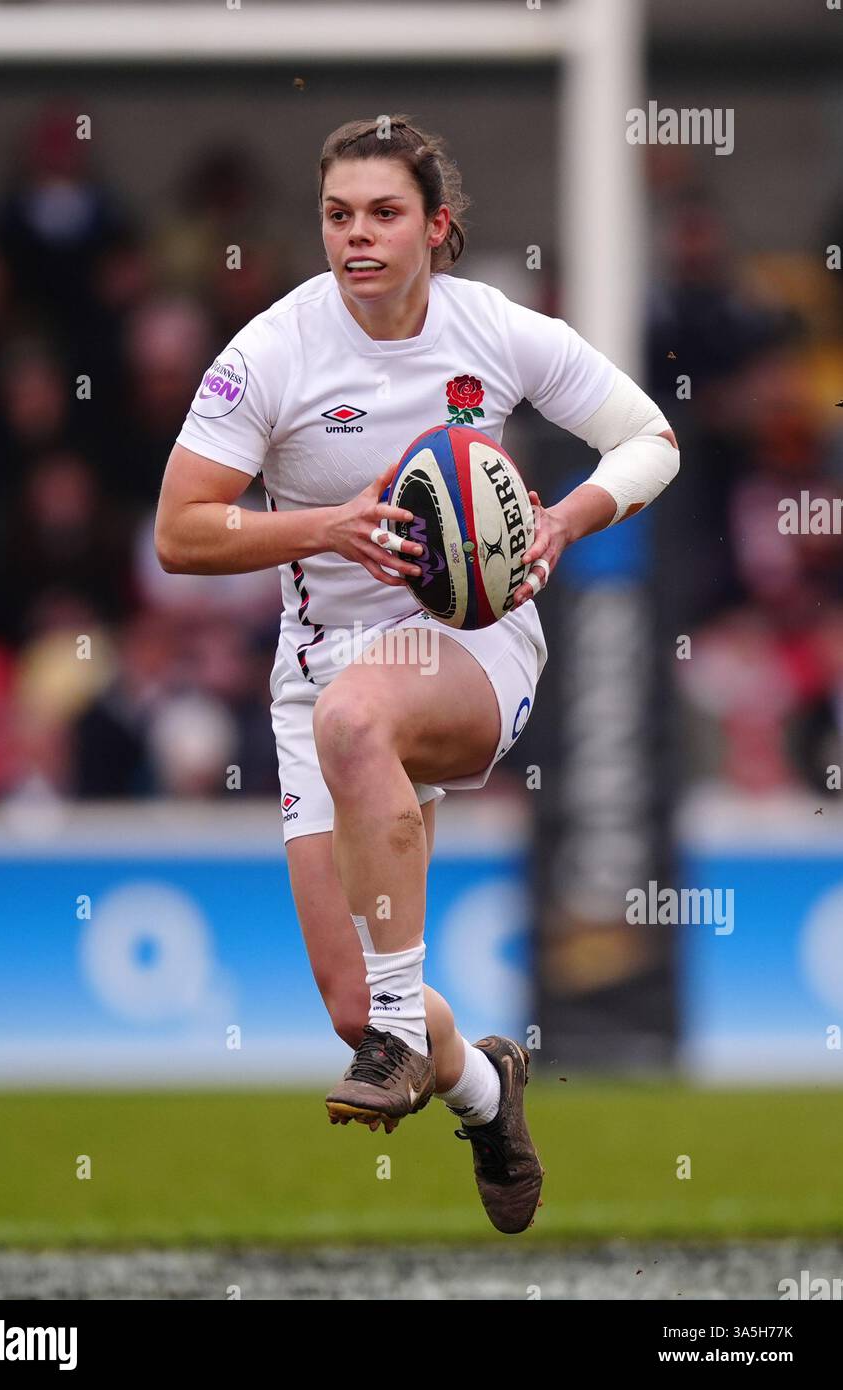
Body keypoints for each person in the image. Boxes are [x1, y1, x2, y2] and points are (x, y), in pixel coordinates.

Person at [155, 115, 679, 1235]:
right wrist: (323, 528)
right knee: (351, 1005)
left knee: (359, 717)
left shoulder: (492, 328)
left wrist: (562, 521)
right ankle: (486, 1094)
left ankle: (403, 1029)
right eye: (337, 215)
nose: (357, 236)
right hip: (322, 672)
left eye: (383, 213)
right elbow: (179, 533)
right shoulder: (268, 354)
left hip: (473, 646)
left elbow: (647, 440)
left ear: (435, 228)